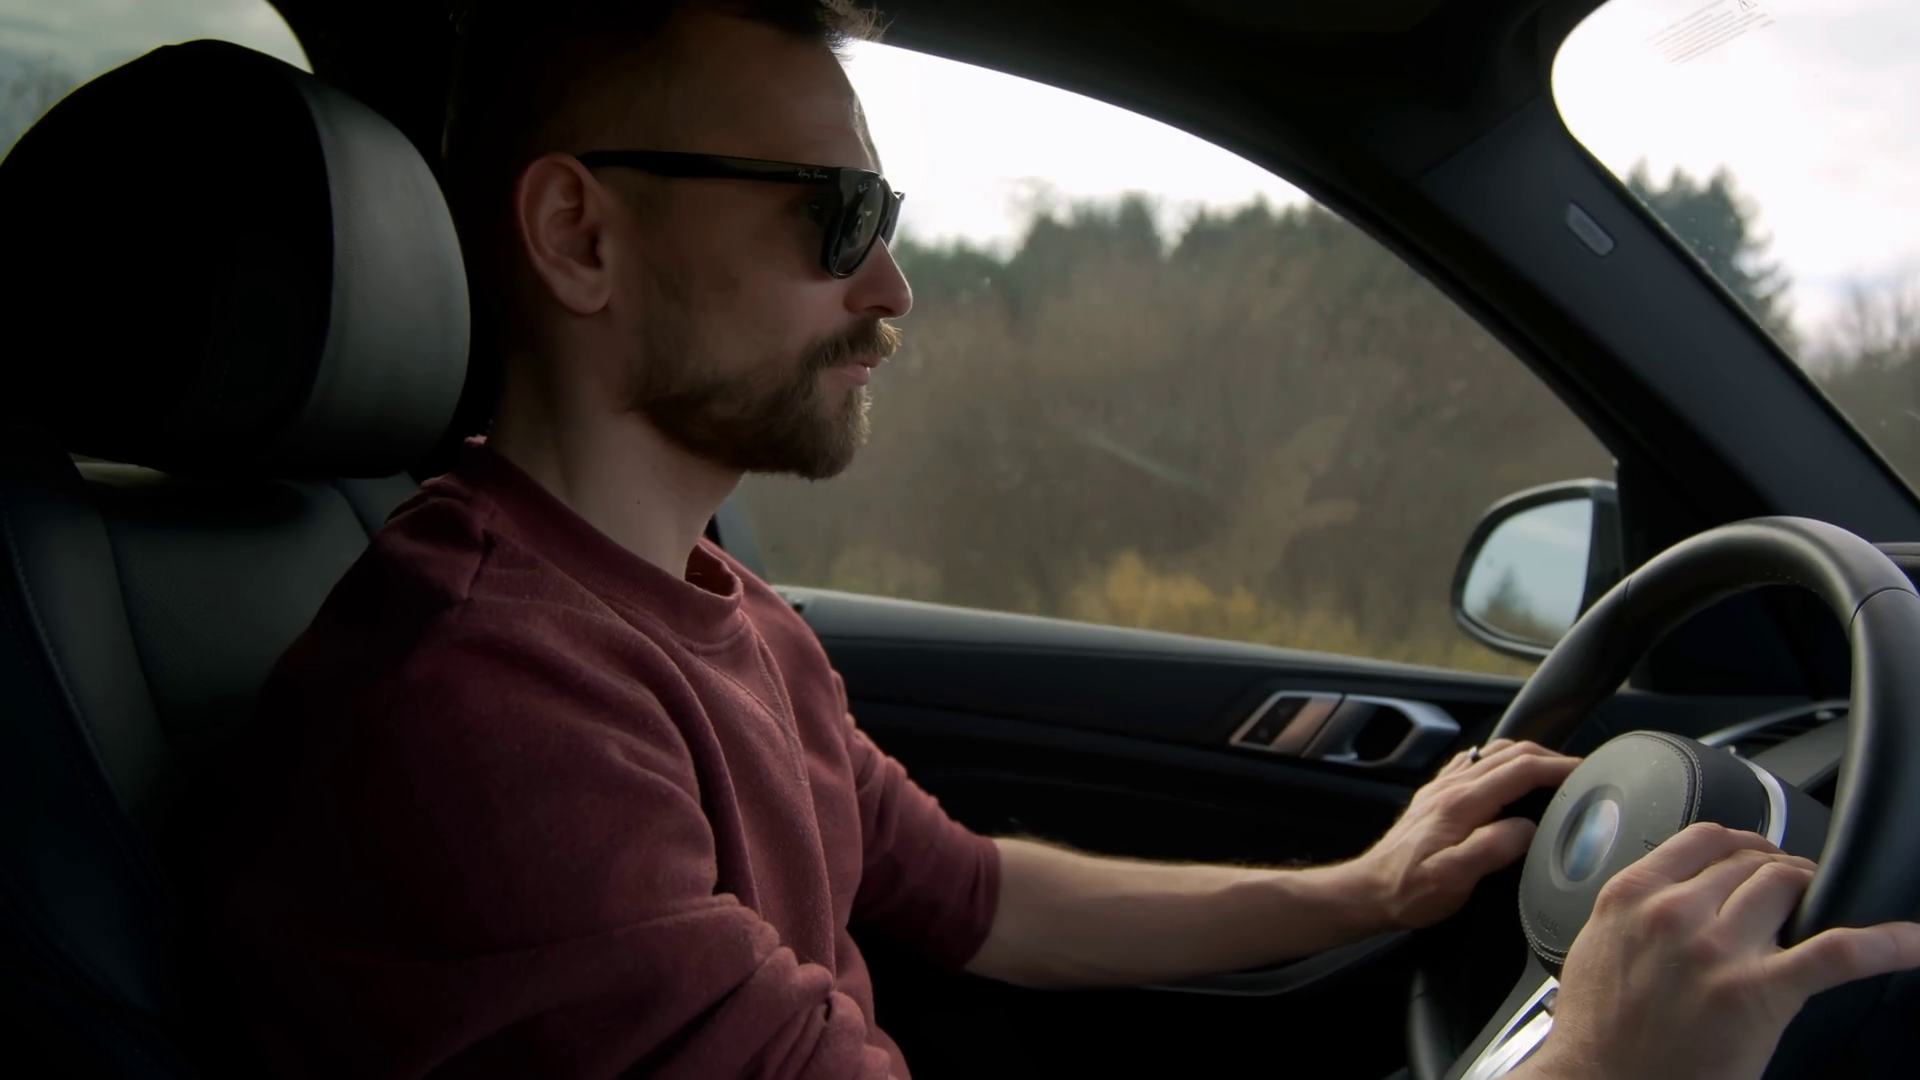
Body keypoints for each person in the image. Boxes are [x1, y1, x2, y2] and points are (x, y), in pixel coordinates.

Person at [212, 1, 1920, 1078]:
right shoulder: (487, 712)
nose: (893, 287)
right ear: (580, 235)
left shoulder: (708, 610)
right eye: (836, 217)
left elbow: (978, 897)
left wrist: (1363, 885)